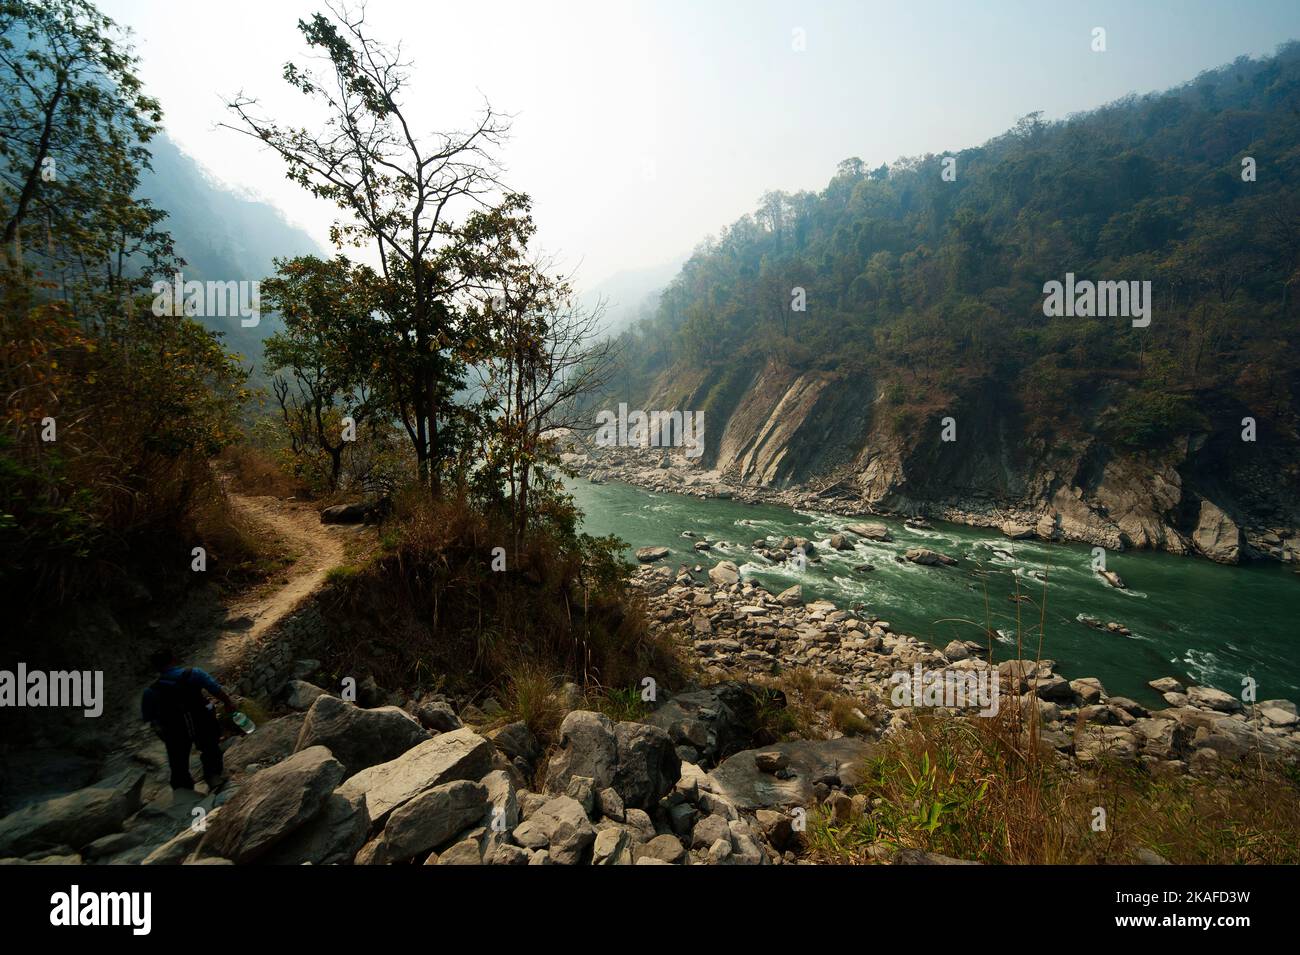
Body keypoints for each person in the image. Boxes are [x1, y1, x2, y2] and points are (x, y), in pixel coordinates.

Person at [141, 647, 237, 792]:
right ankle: (213, 776)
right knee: (210, 747)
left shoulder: (150, 692)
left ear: (156, 667)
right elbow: (214, 689)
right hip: (201, 719)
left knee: (177, 759)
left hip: (174, 727)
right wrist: (228, 703)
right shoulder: (194, 674)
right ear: (173, 659)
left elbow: (151, 718)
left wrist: (162, 734)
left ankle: (182, 788)